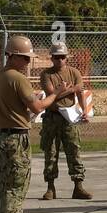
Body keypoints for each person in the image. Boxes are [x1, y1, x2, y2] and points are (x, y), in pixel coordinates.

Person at [0, 34, 67, 213]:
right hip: (15, 138)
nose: (28, 62)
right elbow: (37, 107)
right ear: (13, 56)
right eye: (26, 58)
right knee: (15, 187)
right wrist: (56, 95)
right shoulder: (17, 79)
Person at [39, 41, 91, 201]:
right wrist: (70, 90)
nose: (59, 60)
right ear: (52, 58)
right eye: (56, 57)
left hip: (69, 117)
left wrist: (85, 111)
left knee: (74, 151)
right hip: (52, 117)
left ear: (66, 58)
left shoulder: (74, 72)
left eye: (62, 57)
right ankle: (50, 187)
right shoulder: (46, 75)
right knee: (51, 152)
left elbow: (80, 93)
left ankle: (78, 186)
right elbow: (51, 95)